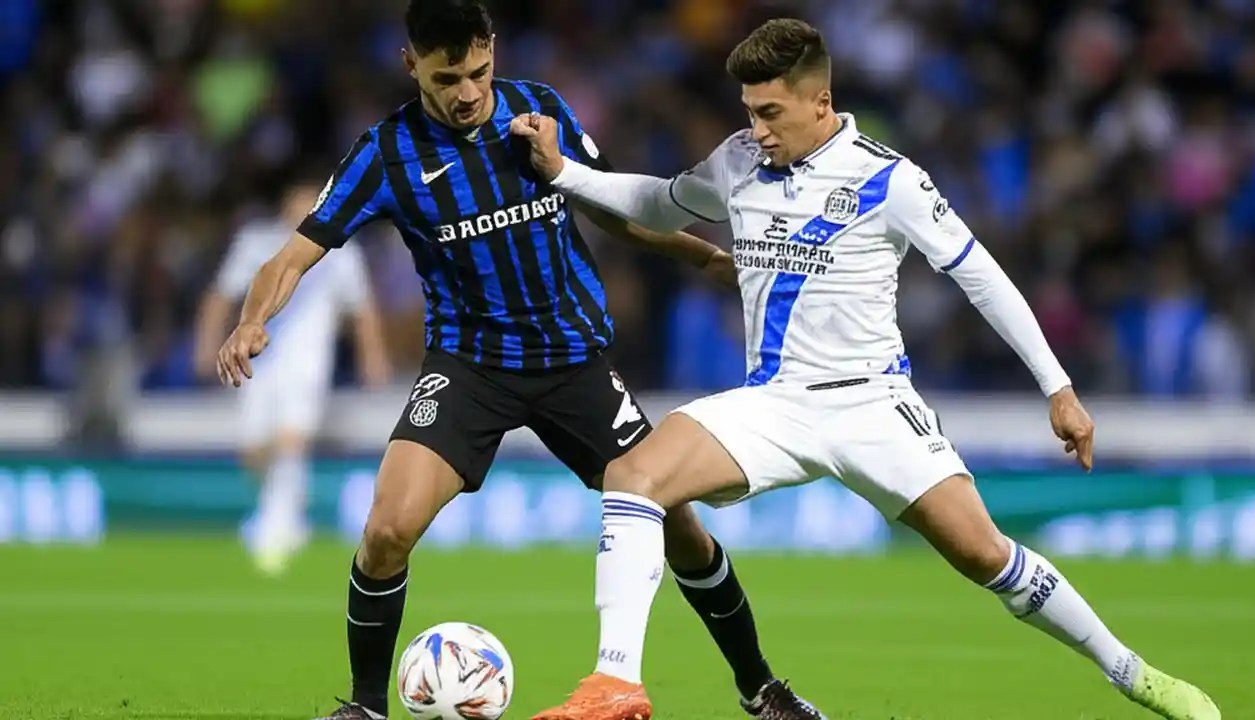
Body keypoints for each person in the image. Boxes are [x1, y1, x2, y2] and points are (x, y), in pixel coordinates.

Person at [512, 17, 1221, 720]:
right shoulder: (738, 161)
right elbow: (661, 203)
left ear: (820, 101)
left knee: (985, 554)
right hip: (774, 404)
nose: (757, 130)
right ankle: (615, 684)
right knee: (633, 477)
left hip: (872, 405)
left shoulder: (889, 180)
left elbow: (981, 277)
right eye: (750, 113)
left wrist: (1058, 387)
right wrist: (566, 173)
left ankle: (1131, 673)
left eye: (770, 113)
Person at [214, 3, 823, 719]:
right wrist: (250, 321)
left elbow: (614, 209)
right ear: (412, 66)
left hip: (574, 361)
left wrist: (706, 259)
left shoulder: (538, 110)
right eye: (447, 79)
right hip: (469, 367)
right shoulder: (385, 154)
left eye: (478, 71)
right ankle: (368, 707)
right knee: (386, 530)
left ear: (493, 50)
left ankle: (761, 688)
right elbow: (292, 254)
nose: (468, 92)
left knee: (679, 526)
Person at [196, 177, 391, 575]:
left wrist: (373, 356)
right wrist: (206, 343)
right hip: (258, 360)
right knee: (254, 449)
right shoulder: (256, 243)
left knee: (292, 437)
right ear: (285, 207)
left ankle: (278, 527)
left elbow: (361, 308)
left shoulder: (340, 250)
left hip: (308, 361)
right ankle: (286, 508)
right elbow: (221, 294)